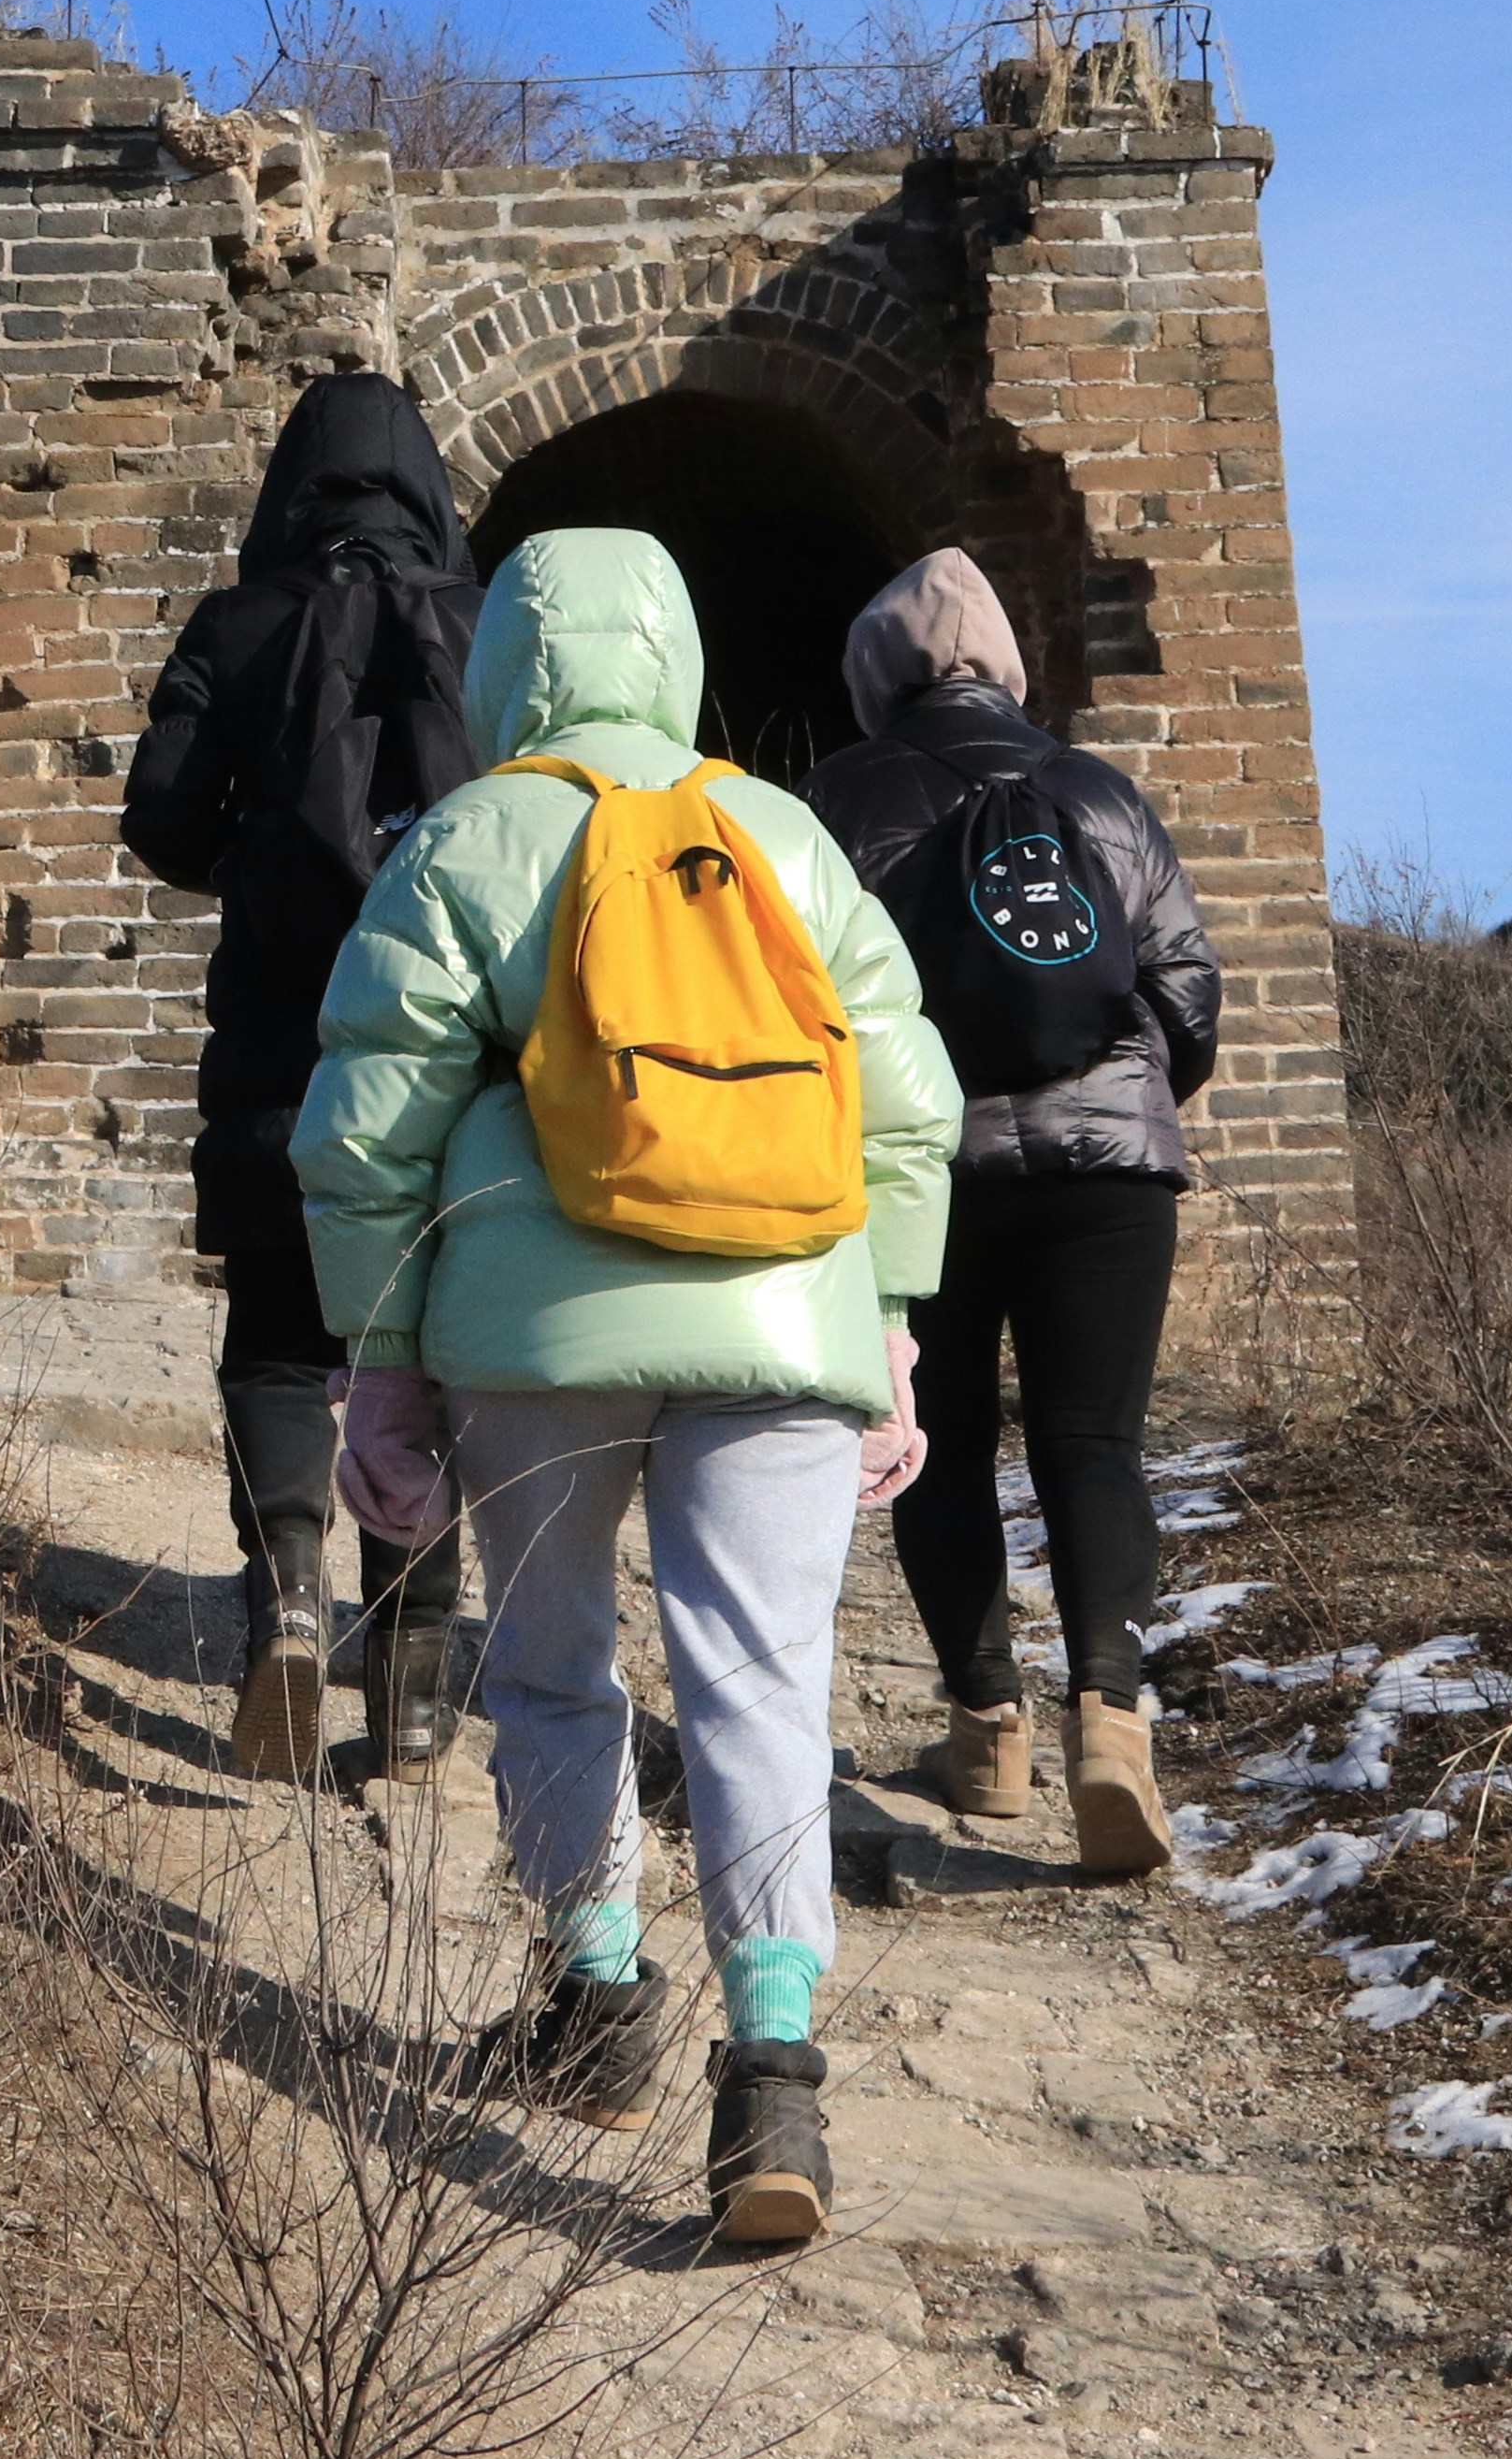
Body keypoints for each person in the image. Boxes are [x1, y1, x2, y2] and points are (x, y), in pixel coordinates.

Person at [298, 528, 958, 2243]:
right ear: (674, 655)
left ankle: (592, 1994)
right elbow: (901, 1096)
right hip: (783, 1320)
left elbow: (372, 1126)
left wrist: (379, 1367)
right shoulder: (784, 834)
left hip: (538, 1337)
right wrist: (887, 1318)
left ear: (504, 665)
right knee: (760, 1685)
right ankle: (777, 2075)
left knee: (550, 1666)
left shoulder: (469, 835)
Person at [798, 547, 1221, 1879]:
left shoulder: (835, 802)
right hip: (1112, 1170)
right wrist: (1131, 1082)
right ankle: (1113, 1731)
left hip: (928, 1172)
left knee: (944, 1443)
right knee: (1096, 1443)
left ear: (875, 678)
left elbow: (800, 999)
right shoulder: (1097, 791)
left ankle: (986, 1731)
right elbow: (1189, 984)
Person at [121, 370, 485, 1784]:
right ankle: (408, 1669)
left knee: (277, 1331)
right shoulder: (481, 619)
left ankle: (285, 1595)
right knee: (430, 1357)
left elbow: (158, 811)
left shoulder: (239, 623)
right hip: (453, 1062)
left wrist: (257, 862)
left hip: (288, 1040)